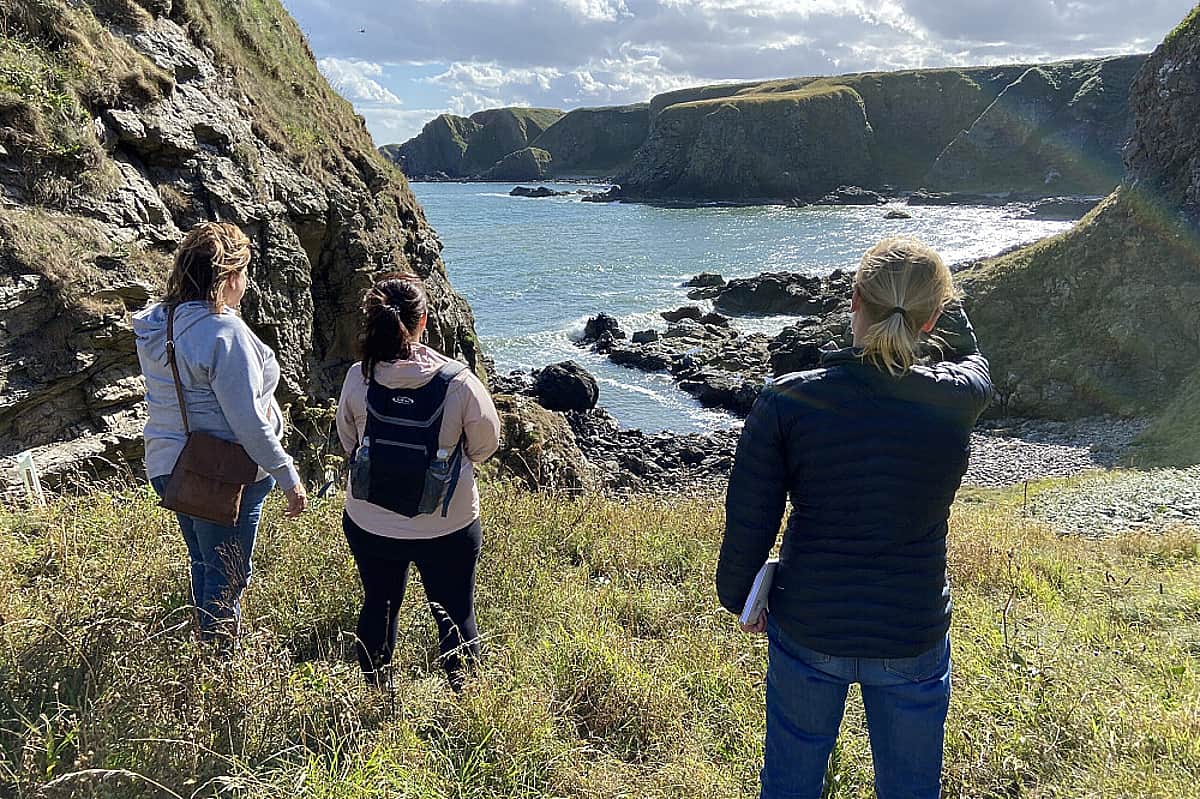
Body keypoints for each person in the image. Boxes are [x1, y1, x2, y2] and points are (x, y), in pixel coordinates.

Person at [716, 237, 993, 799]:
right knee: (911, 788)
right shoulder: (955, 399)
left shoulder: (789, 401)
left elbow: (750, 518)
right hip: (911, 625)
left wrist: (740, 595)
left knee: (791, 783)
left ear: (855, 301)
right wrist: (953, 319)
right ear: (932, 319)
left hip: (810, 618)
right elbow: (976, 367)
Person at [134, 221, 308, 643]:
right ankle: (219, 662)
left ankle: (206, 647)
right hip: (223, 474)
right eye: (244, 273)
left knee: (204, 563)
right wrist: (288, 475)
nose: (246, 284)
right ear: (228, 277)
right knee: (228, 574)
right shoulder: (224, 334)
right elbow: (248, 420)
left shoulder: (158, 322)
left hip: (169, 464)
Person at [336, 273, 500, 691]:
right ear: (423, 320)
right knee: (456, 614)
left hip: (370, 520)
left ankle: (377, 694)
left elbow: (349, 442)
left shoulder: (358, 377)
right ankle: (466, 699)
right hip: (448, 523)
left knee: (379, 604)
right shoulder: (459, 383)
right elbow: (485, 446)